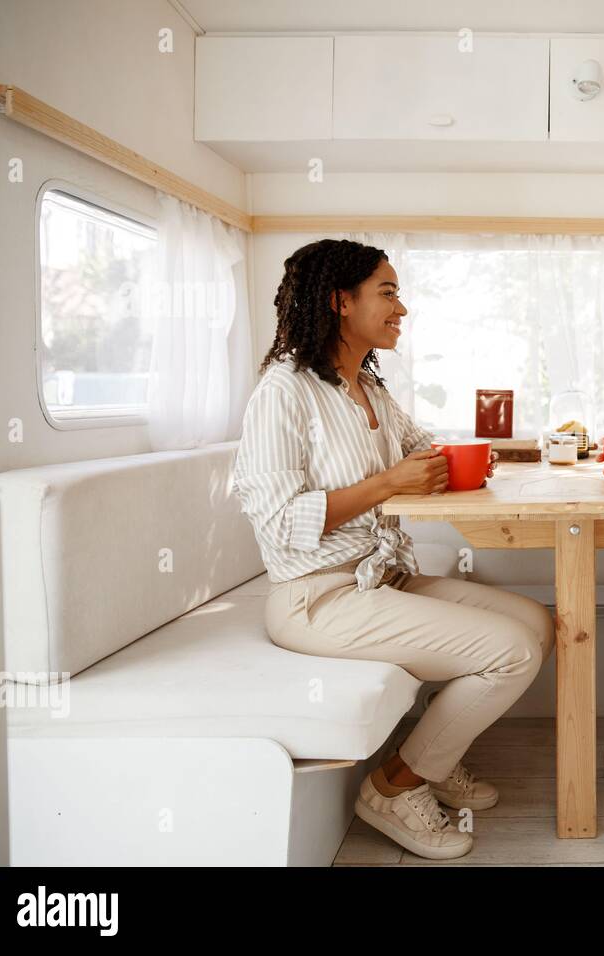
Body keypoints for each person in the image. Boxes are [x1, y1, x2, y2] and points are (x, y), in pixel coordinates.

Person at [233, 239, 555, 860]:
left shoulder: (369, 390)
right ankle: (395, 786)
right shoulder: (285, 392)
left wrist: (503, 455)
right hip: (318, 596)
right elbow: (276, 523)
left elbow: (424, 451)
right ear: (339, 301)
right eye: (388, 292)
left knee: (535, 622)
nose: (401, 308)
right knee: (512, 652)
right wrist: (388, 483)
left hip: (381, 578)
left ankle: (435, 758)